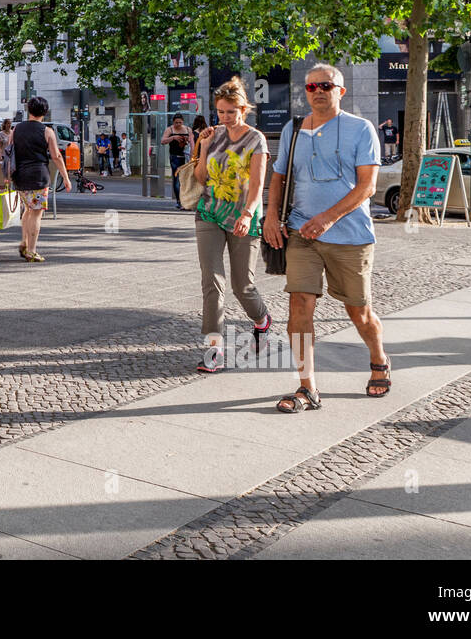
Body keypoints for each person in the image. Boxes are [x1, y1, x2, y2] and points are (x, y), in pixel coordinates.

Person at [262, 64, 387, 412]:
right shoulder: (294, 128)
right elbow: (279, 176)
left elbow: (368, 186)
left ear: (340, 91)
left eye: (326, 85)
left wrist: (329, 217)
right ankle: (307, 387)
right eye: (312, 86)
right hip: (302, 232)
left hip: (350, 236)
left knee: (359, 312)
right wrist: (270, 215)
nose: (318, 91)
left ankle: (378, 359)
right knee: (299, 304)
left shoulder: (361, 129)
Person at [191, 78, 271, 372]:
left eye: (230, 112)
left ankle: (262, 321)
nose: (225, 118)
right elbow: (201, 178)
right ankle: (215, 350)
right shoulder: (213, 135)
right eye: (221, 112)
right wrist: (204, 146)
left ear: (243, 109)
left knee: (242, 286)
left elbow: (258, 184)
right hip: (209, 213)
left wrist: (248, 214)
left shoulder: (256, 140)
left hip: (243, 217)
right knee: (212, 282)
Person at [11, 97, 74, 263]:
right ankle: (31, 250)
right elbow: (56, 156)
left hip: (20, 176)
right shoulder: (47, 132)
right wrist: (66, 177)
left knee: (27, 209)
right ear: (44, 113)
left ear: (29, 110)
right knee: (36, 213)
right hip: (39, 175)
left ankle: (24, 242)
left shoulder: (16, 129)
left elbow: (9, 152)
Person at [162, 114, 193, 208]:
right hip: (175, 156)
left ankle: (186, 199)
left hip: (186, 156)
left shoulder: (188, 129)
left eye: (180, 122)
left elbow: (192, 142)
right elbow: (163, 141)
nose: (178, 124)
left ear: (183, 122)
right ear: (173, 122)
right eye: (176, 123)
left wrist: (188, 141)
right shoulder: (170, 130)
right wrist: (173, 138)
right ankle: (179, 200)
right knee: (177, 179)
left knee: (186, 179)